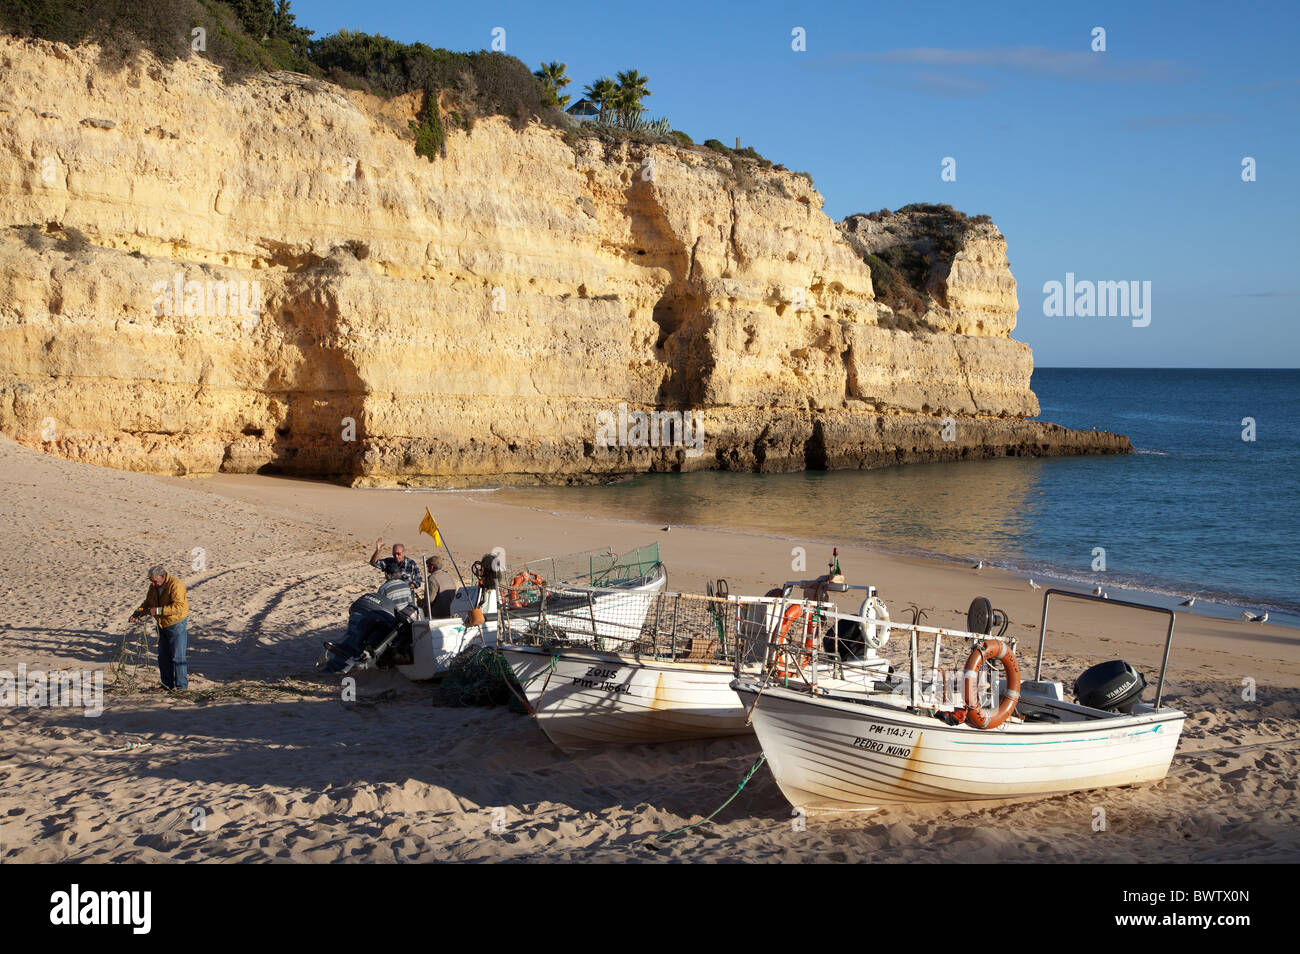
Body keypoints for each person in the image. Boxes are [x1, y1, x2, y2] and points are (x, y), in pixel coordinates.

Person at [130, 564, 189, 691]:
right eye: (151, 581)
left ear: (162, 576)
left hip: (176, 624)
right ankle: (167, 685)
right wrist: (137, 614)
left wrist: (158, 611)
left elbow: (178, 607)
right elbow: (147, 603)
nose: (153, 584)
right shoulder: (153, 587)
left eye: (155, 581)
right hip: (162, 625)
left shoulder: (176, 585)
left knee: (178, 657)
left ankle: (181, 688)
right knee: (163, 656)